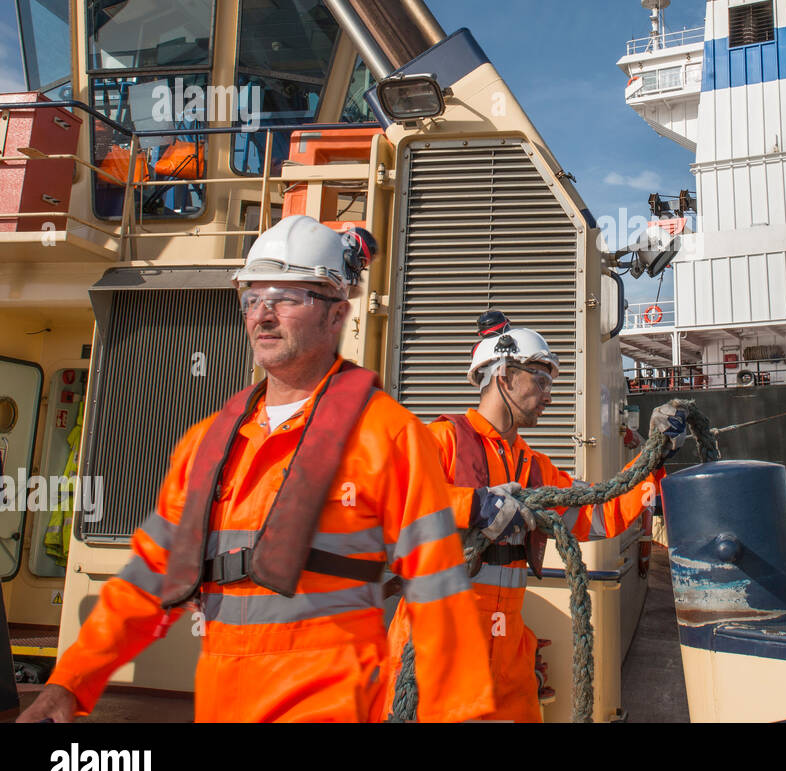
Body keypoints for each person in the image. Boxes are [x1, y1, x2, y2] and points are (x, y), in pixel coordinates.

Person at [18, 216, 494, 723]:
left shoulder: (390, 437)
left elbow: (439, 596)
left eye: (288, 297)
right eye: (252, 297)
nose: (264, 315)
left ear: (336, 316)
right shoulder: (208, 444)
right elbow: (148, 579)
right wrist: (69, 683)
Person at [384, 311, 688, 722]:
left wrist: (654, 457)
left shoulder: (534, 468)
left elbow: (599, 514)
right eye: (541, 381)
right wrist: (473, 506)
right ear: (504, 376)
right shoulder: (441, 442)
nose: (549, 395)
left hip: (508, 652)